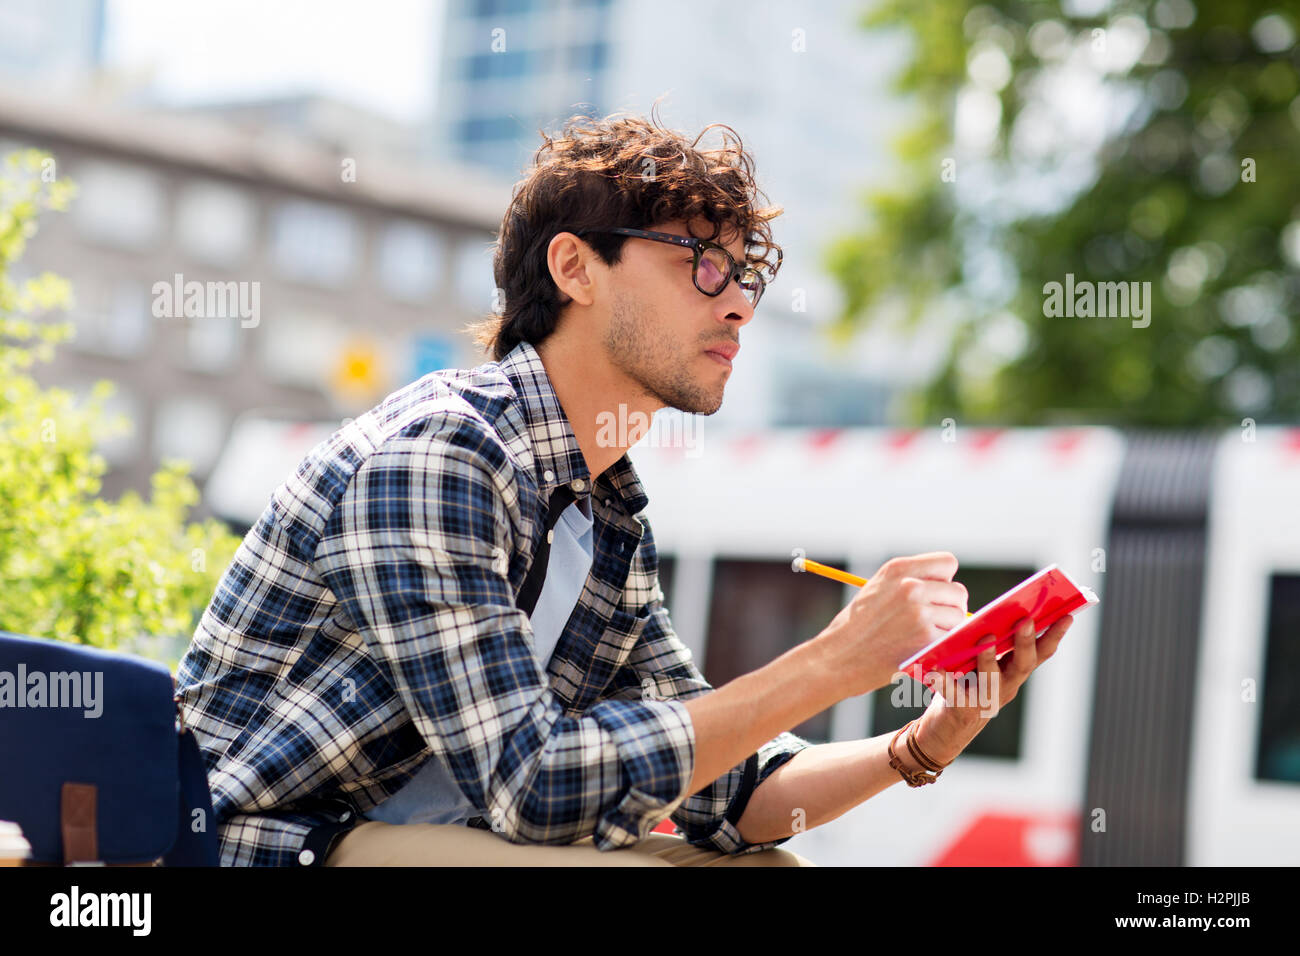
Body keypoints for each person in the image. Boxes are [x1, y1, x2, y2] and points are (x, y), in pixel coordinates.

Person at [175, 108, 1073, 867]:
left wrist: (920, 745)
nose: (738, 305)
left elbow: (726, 793)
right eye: (701, 263)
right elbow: (534, 784)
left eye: (746, 274)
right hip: (279, 843)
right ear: (576, 269)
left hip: (448, 838)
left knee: (768, 867)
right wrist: (835, 661)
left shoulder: (606, 513)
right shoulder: (443, 455)